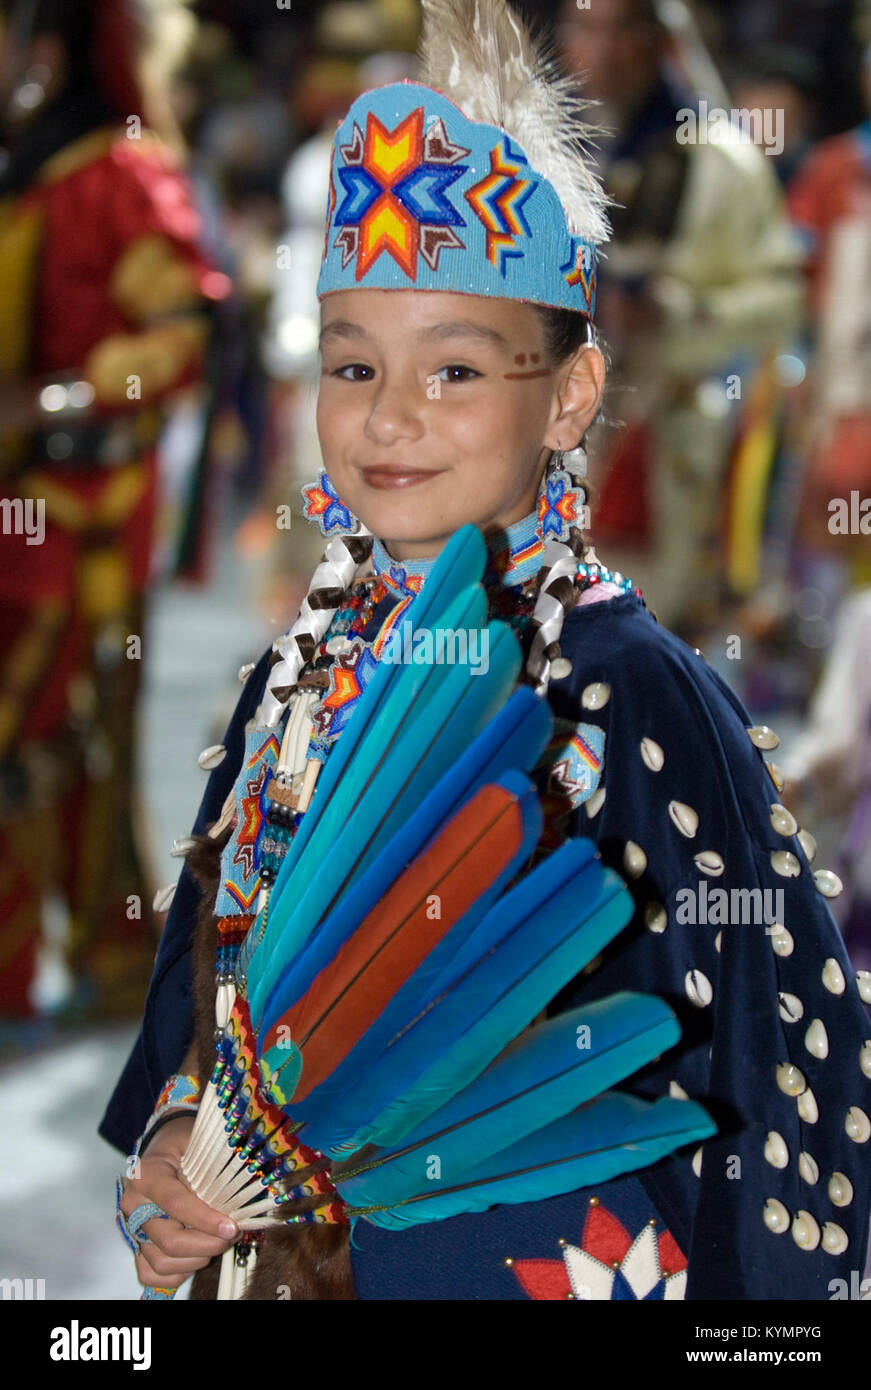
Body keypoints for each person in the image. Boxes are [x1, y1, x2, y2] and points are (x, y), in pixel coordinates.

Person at [101, 0, 871, 1301]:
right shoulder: (298, 672)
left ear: (566, 394)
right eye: (352, 366)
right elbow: (213, 989)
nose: (389, 414)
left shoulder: (625, 687)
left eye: (454, 370)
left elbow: (759, 1061)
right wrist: (180, 1149)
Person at [0, 0, 231, 1023]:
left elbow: (183, 329)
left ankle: (97, 947)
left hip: (76, 508)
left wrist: (62, 396)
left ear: (44, 53)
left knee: (57, 727)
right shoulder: (25, 172)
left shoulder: (119, 175)